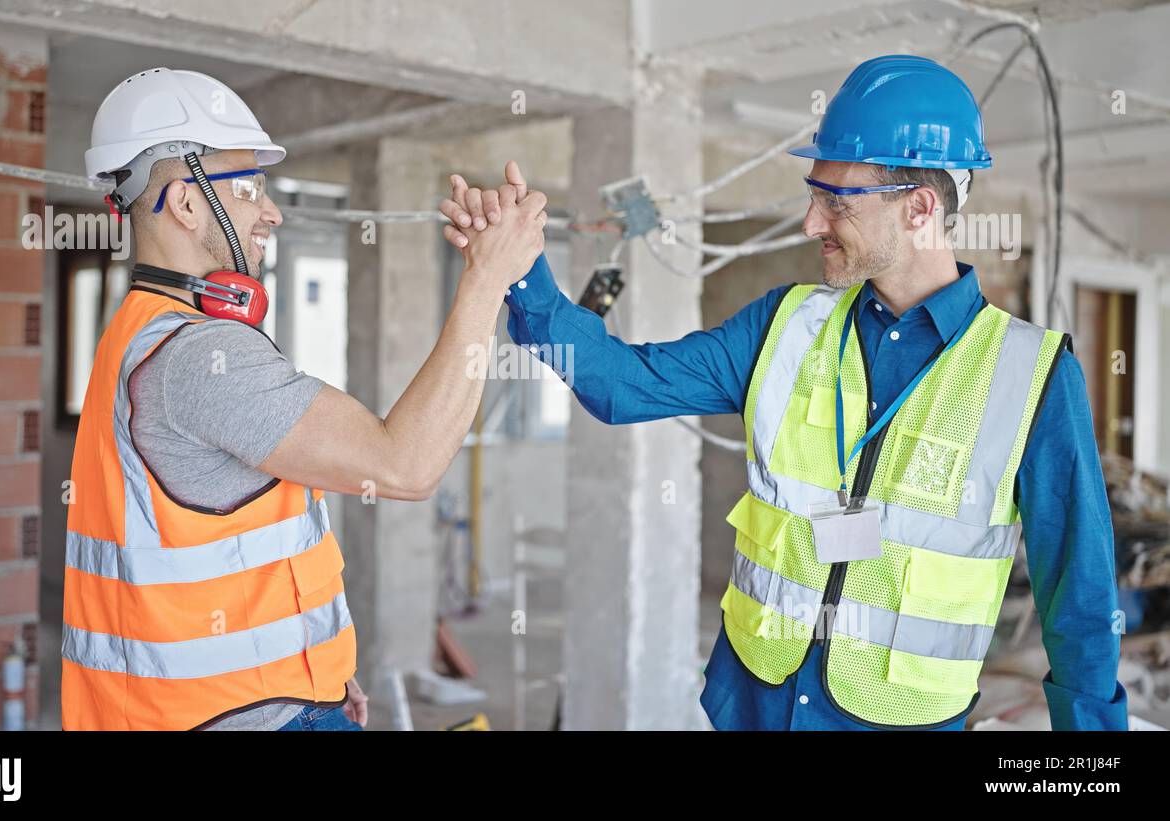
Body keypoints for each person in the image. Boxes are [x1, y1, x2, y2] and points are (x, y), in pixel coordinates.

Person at [442, 55, 1127, 731]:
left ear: (919, 207)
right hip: (757, 700)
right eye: (814, 193)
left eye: (837, 199)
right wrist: (522, 274)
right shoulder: (785, 324)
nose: (811, 222)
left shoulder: (1030, 374)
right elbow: (624, 384)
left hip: (894, 720)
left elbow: (1082, 596)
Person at [62, 67, 547, 730]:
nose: (273, 212)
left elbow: (240, 541)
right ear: (185, 203)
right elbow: (405, 465)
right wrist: (488, 277)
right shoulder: (205, 359)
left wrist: (318, 674)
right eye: (252, 188)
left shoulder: (140, 331)